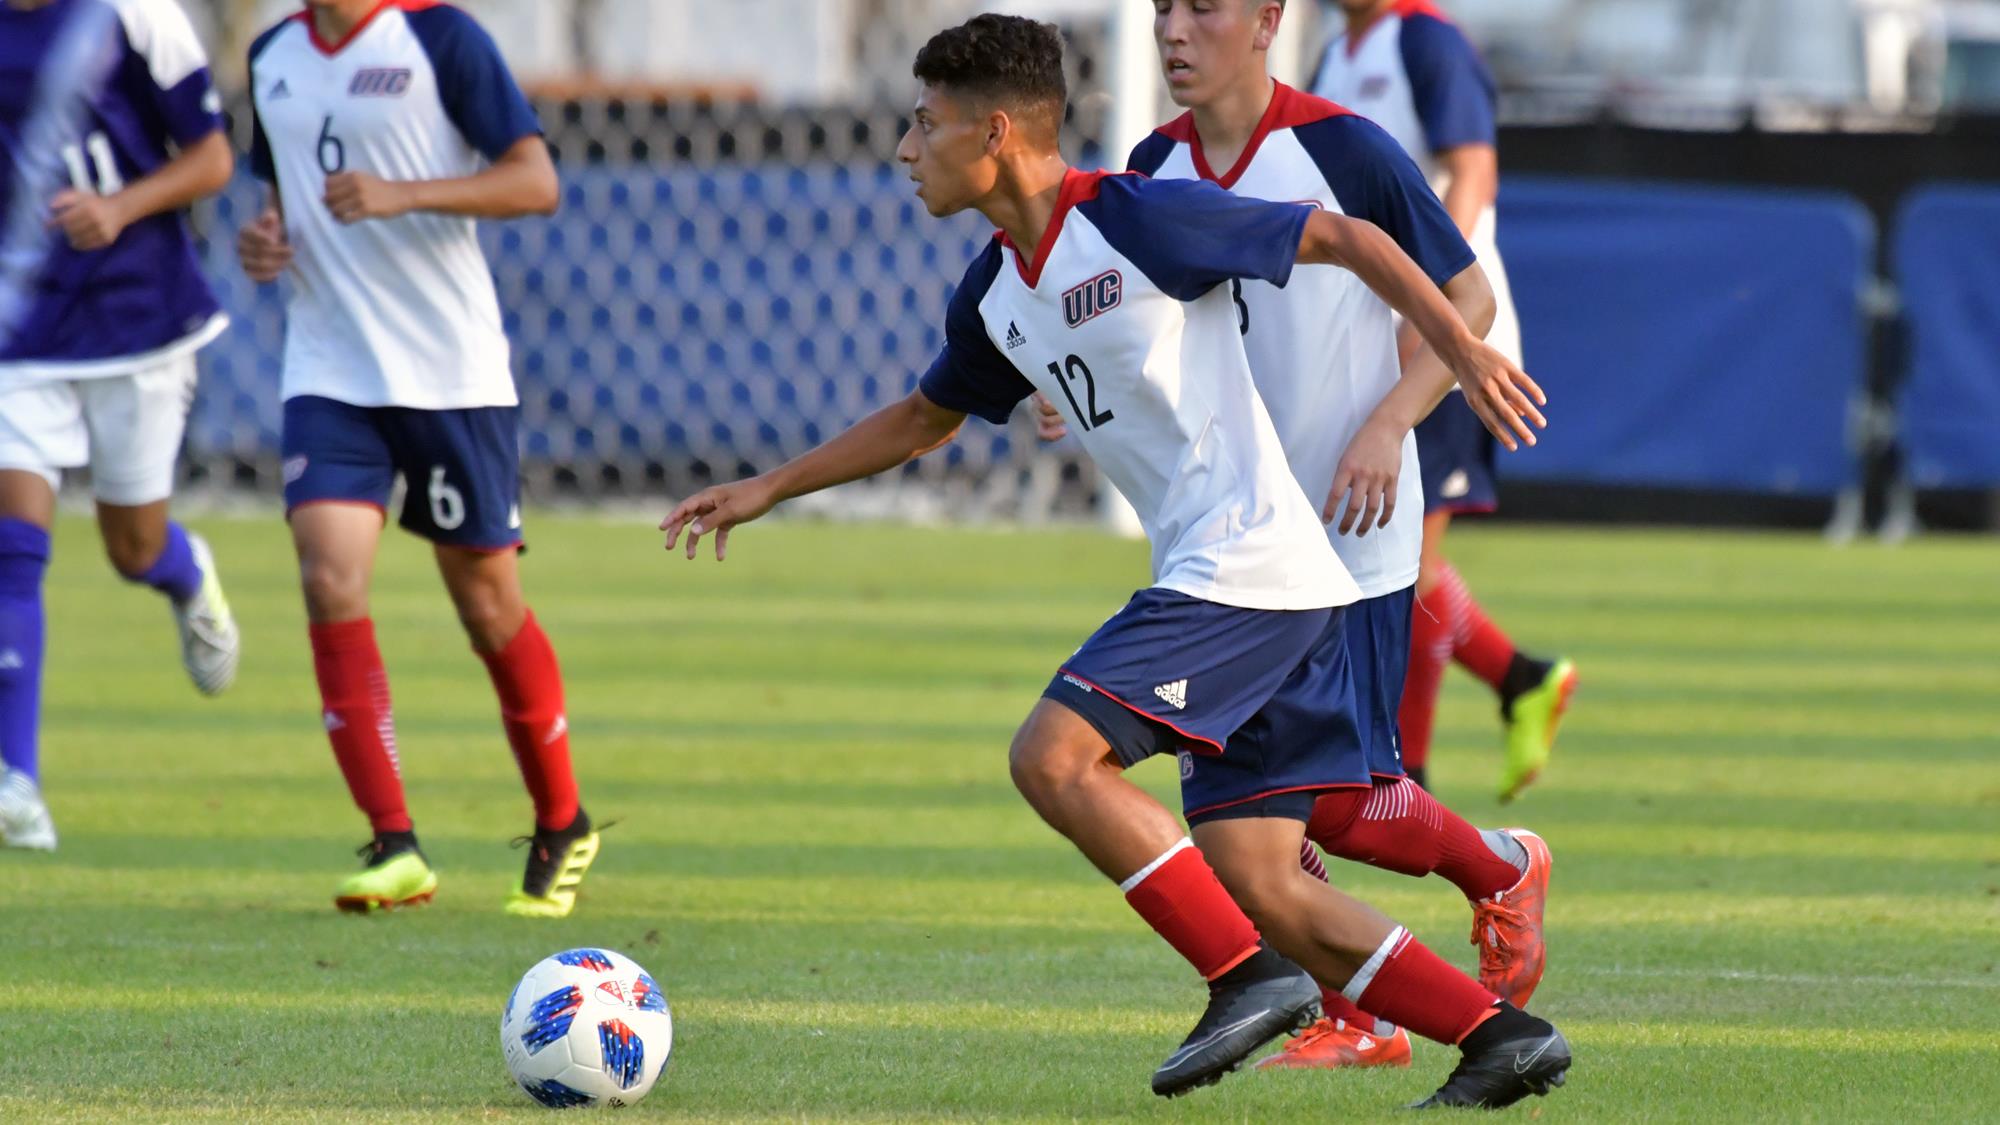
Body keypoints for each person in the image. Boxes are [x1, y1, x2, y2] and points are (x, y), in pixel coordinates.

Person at [661, 14, 1570, 1109]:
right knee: (1267, 877)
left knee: (1051, 758)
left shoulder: (1134, 214)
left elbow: (1347, 240)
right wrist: (766, 488)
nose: (904, 148)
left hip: (1244, 574)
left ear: (993, 133)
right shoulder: (997, 287)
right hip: (1244, 578)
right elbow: (921, 419)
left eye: (923, 124)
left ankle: (1244, 976)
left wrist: (1458, 354)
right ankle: (1497, 1038)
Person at [1031, 0, 1552, 1071]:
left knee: (1330, 801)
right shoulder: (1149, 164)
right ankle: (1382, 987)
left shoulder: (1342, 149)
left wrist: (1386, 423)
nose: (1174, 31)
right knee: (1273, 802)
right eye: (1164, 10)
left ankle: (1487, 877)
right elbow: (1134, 321)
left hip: (1349, 520)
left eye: (1203, 9)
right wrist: (1068, 385)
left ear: (1266, 21)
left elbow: (1467, 296)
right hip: (1231, 538)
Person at [237, 0, 595, 917]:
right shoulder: (274, 52)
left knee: (485, 602)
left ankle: (563, 819)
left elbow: (535, 181)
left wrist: (406, 192)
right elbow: (282, 194)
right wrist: (265, 241)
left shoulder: (441, 38)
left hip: (449, 373)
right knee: (329, 576)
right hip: (329, 366)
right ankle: (393, 842)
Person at [1313, 0, 1576, 802]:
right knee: (1385, 554)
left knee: (1412, 561)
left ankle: (1407, 775)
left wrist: (1430, 312)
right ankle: (1518, 677)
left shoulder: (1426, 40)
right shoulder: (1333, 52)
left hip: (1445, 345)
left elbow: (1473, 171)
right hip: (1369, 337)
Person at [0, 0, 242, 851]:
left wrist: (122, 206)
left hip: (138, 318)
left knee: (131, 546)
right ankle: (15, 783)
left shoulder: (134, 14)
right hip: (19, 324)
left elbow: (212, 156)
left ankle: (187, 575)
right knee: (12, 542)